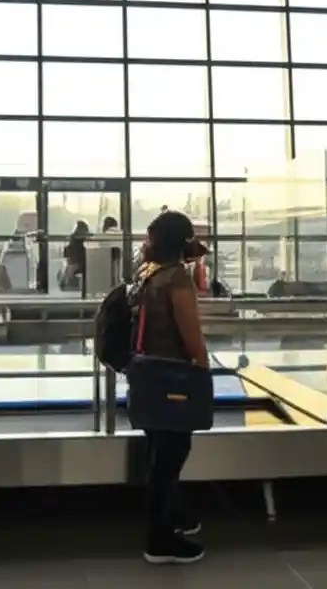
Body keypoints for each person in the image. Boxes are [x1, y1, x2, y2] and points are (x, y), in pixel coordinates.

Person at [133, 211, 208, 565]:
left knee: (159, 453)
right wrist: (204, 373)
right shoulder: (177, 279)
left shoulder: (150, 275)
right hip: (174, 379)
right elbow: (192, 335)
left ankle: (175, 518)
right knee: (170, 456)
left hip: (149, 375)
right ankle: (159, 539)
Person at [60, 220, 91, 290]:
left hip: (75, 264)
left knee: (71, 266)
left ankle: (64, 283)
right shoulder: (86, 242)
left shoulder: (72, 242)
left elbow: (70, 262)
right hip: (82, 264)